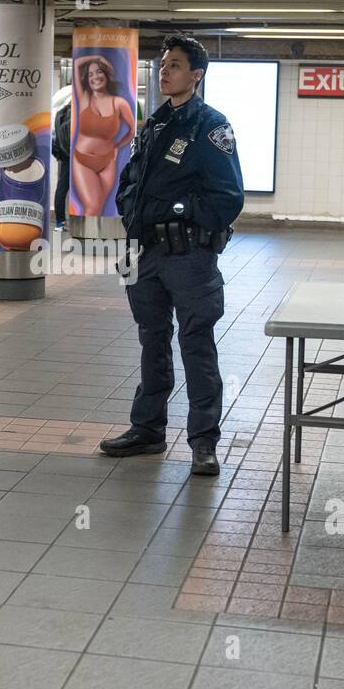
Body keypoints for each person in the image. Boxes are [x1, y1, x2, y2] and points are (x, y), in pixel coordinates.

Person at [101, 35, 243, 477]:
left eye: (176, 65)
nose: (165, 72)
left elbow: (228, 198)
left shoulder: (210, 127)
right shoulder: (156, 123)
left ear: (196, 75)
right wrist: (130, 209)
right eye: (163, 65)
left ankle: (203, 442)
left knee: (195, 343)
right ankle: (147, 428)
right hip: (143, 253)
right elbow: (130, 181)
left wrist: (176, 212)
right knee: (152, 339)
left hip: (188, 256)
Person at [71, 55, 136, 217]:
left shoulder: (119, 103)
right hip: (83, 160)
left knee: (99, 208)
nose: (95, 77)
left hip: (107, 161)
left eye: (99, 72)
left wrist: (117, 146)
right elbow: (77, 64)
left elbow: (132, 130)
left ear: (106, 75)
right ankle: (84, 242)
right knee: (92, 206)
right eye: (90, 74)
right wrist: (99, 57)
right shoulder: (84, 97)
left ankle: (93, 242)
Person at [51, 100, 71, 230]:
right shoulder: (75, 113)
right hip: (74, 154)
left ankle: (60, 221)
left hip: (64, 154)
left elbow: (54, 135)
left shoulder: (60, 113)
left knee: (62, 187)